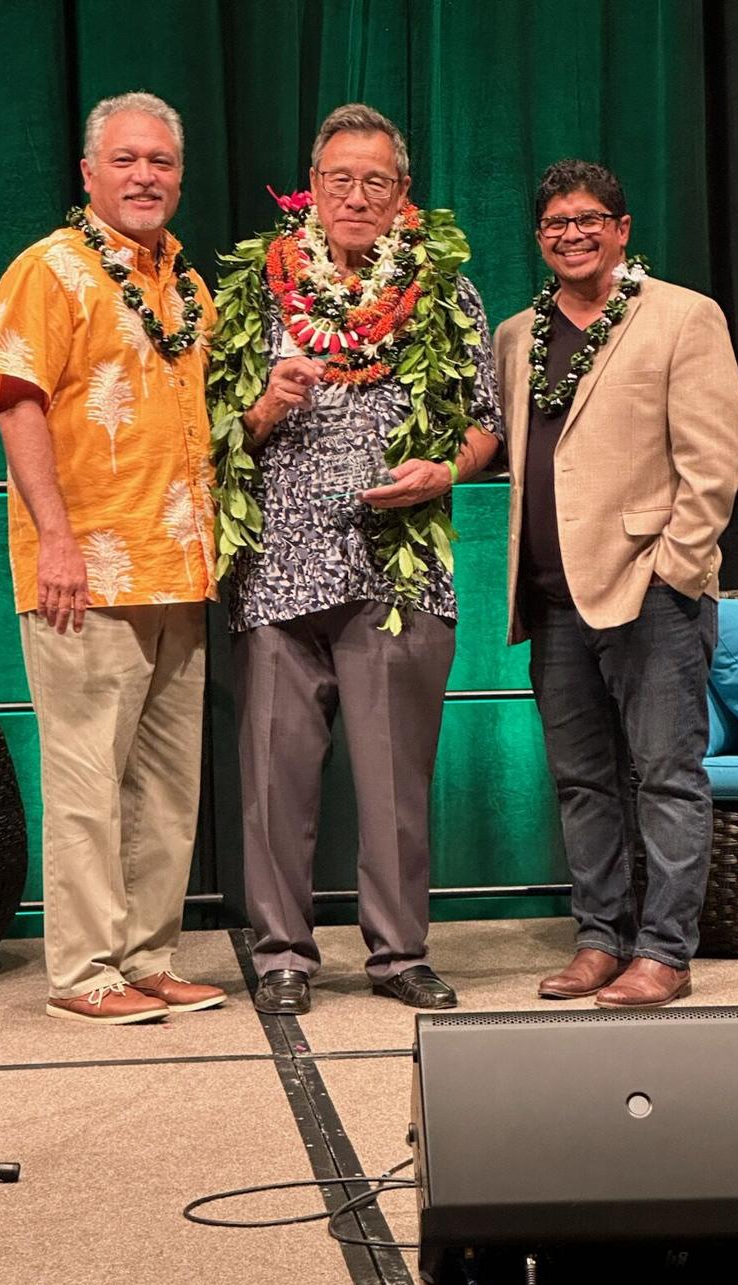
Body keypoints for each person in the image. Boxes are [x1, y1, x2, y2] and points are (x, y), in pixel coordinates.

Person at [210, 103, 501, 1015]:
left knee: (393, 781)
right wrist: (263, 409)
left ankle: (399, 952)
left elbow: (487, 423)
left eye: (376, 180)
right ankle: (284, 954)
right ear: (312, 186)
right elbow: (210, 435)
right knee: (273, 778)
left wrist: (443, 470)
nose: (357, 195)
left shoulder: (446, 290)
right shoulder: (256, 287)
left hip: (398, 567)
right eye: (340, 178)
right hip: (279, 564)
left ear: (402, 193)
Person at [0, 92, 226, 1023]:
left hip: (182, 566)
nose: (145, 177)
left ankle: (147, 955)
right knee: (88, 778)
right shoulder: (49, 271)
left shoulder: (189, 286)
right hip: (83, 568)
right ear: (88, 174)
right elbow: (18, 403)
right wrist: (55, 539)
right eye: (125, 160)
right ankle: (84, 973)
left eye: (160, 161)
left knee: (168, 785)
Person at [494, 159, 738, 1008]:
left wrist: (674, 570)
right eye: (557, 223)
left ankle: (665, 952)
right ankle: (600, 939)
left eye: (589, 218)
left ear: (622, 227)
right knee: (581, 781)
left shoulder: (681, 317)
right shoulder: (516, 334)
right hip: (553, 595)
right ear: (540, 239)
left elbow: (713, 463)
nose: (573, 234)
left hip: (651, 591)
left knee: (667, 775)